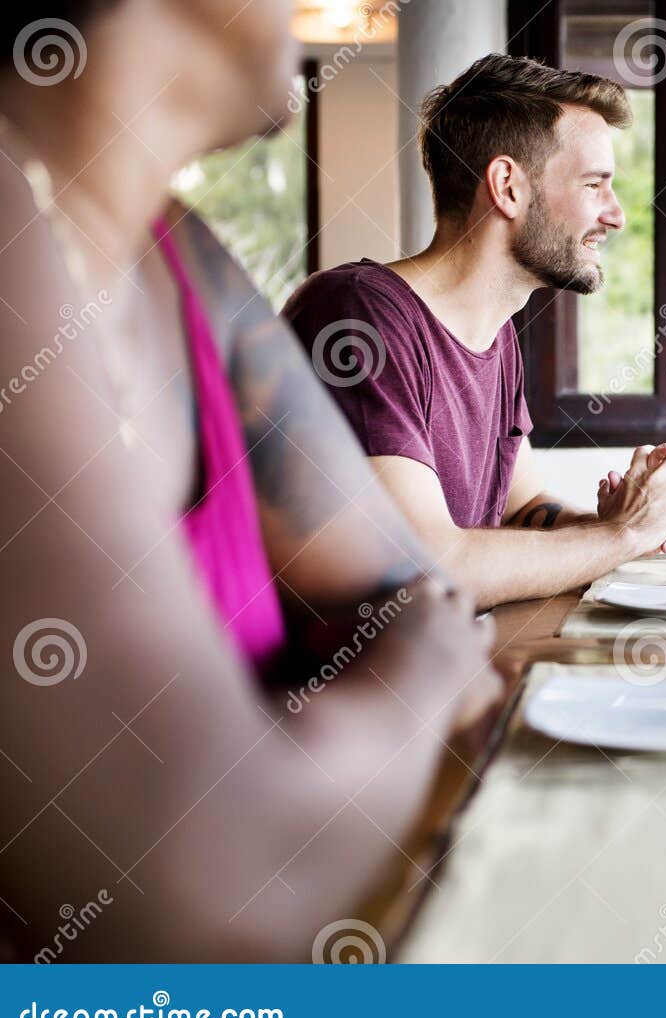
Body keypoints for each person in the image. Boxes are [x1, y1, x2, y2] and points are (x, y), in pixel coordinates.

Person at [0, 1, 498, 961]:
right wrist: (424, 669)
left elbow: (406, 595)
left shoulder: (184, 256)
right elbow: (208, 874)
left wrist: (402, 674)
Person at [283, 54, 666, 610]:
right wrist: (620, 535)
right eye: (594, 184)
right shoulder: (356, 314)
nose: (616, 215)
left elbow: (521, 508)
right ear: (507, 186)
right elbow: (426, 570)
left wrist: (619, 519)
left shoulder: (496, 336)